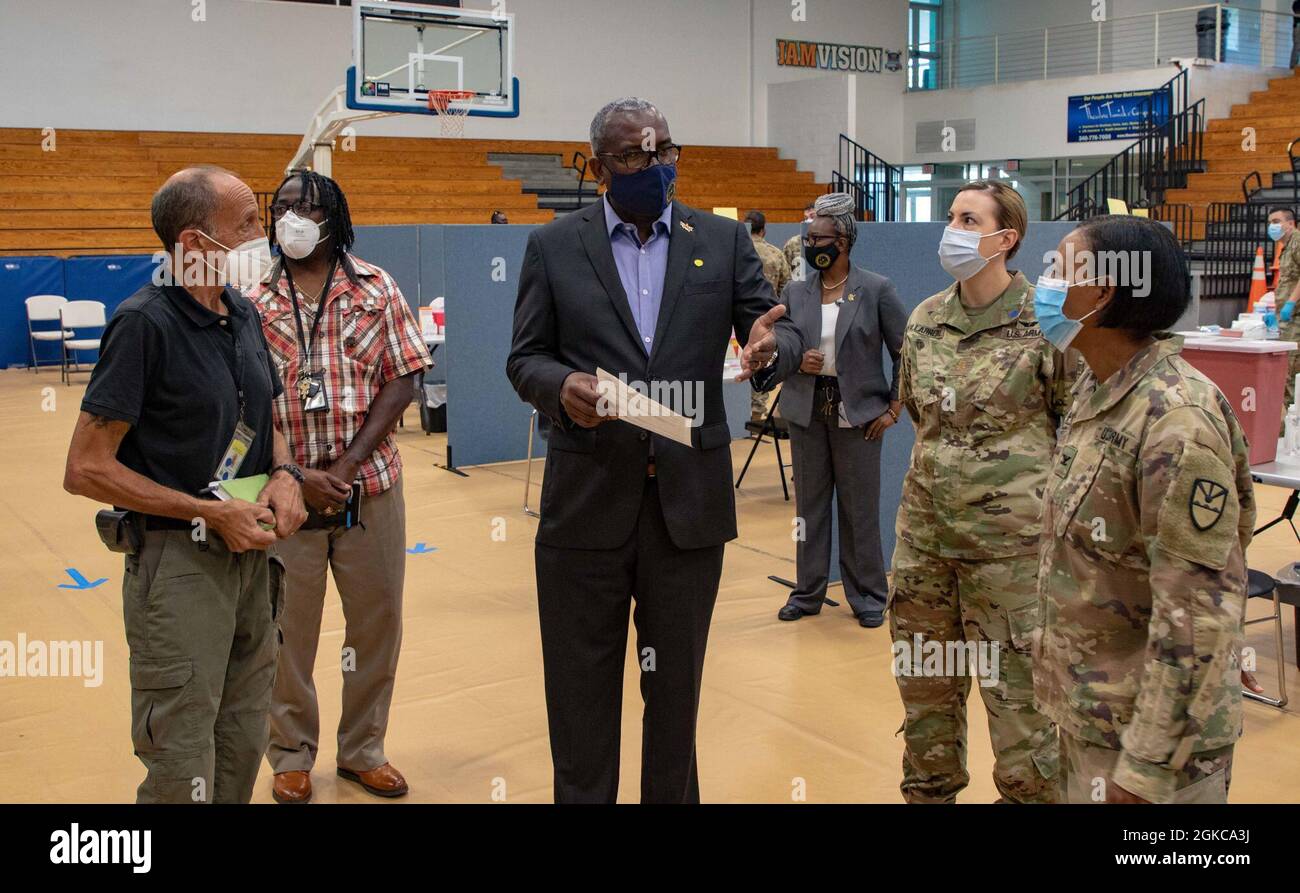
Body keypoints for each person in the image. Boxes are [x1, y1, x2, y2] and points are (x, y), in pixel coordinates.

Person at [506, 97, 801, 803]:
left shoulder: (723, 242)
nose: (656, 164)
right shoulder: (554, 246)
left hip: (687, 509)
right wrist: (562, 383)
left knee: (676, 700)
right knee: (580, 699)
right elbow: (524, 359)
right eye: (637, 155)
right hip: (585, 507)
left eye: (666, 149)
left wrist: (770, 352)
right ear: (601, 166)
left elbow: (776, 332)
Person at [63, 166, 307, 803]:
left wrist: (283, 476)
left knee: (242, 731)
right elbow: (86, 467)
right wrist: (204, 510)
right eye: (249, 223)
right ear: (197, 245)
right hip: (178, 564)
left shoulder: (242, 313)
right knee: (182, 751)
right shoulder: (143, 324)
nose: (267, 233)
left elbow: (269, 418)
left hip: (251, 553)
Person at [1034, 215, 1254, 804]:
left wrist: (1148, 769)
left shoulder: (1176, 421)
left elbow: (1198, 611)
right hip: (1091, 718)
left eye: (1059, 267)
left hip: (1150, 753)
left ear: (1103, 293)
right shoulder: (1096, 388)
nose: (1045, 281)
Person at [247, 172, 431, 804]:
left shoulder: (377, 288)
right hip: (283, 496)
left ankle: (363, 749)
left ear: (334, 218)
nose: (292, 218)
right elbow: (243, 396)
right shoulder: (250, 298)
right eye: (283, 208)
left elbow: (402, 379)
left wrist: (346, 469)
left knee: (376, 625)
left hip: (369, 489)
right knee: (285, 631)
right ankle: (291, 753)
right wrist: (295, 476)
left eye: (307, 208)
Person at [890, 180, 1069, 804]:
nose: (953, 228)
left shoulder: (1048, 322)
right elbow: (920, 413)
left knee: (1021, 710)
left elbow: (1073, 427)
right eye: (951, 216)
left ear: (1005, 238)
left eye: (970, 218)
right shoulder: (925, 319)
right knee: (925, 702)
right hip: (925, 547)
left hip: (1011, 554)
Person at [753, 193, 905, 628]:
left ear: (842, 240)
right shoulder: (796, 291)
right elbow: (785, 342)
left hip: (858, 414)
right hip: (806, 409)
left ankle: (869, 597)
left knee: (859, 510)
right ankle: (807, 593)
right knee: (809, 510)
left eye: (818, 237)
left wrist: (894, 407)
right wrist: (795, 358)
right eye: (808, 236)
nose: (809, 243)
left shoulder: (876, 289)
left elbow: (905, 351)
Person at [745, 209, 792, 420]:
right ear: (763, 230)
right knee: (760, 360)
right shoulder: (775, 254)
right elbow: (786, 288)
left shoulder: (735, 250)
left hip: (735, 315)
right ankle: (758, 408)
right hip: (766, 316)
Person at [1271, 208, 1300, 408]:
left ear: (1290, 223)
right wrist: (1276, 314)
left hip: (1296, 317)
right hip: (1289, 318)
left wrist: (1290, 304)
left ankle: (1287, 424)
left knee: (1289, 372)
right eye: (1270, 222)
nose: (1272, 226)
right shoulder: (1287, 247)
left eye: (1276, 221)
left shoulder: (1297, 242)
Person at [783, 201, 816, 274]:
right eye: (806, 218)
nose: (808, 220)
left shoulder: (827, 241)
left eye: (812, 217)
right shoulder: (793, 243)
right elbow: (786, 271)